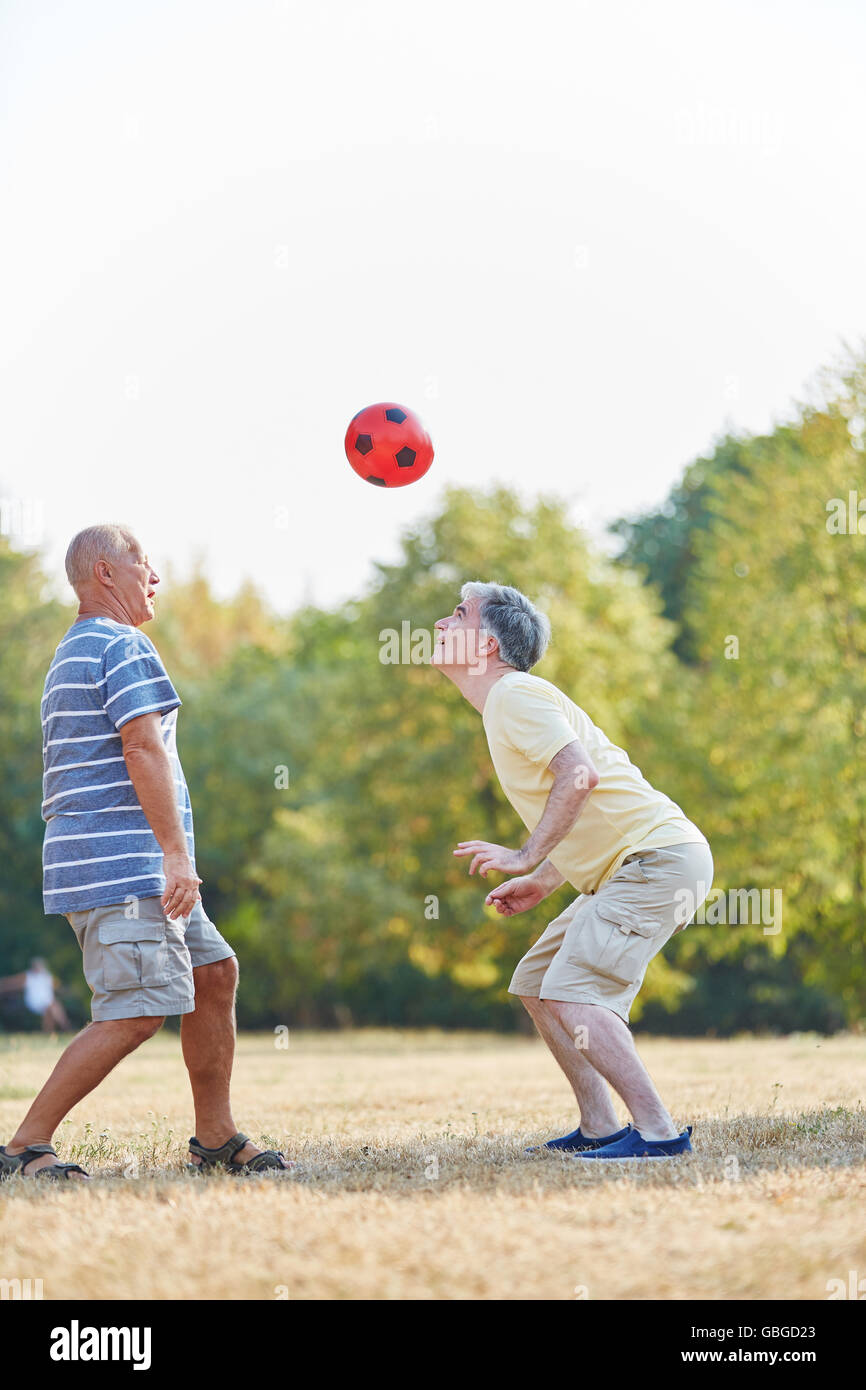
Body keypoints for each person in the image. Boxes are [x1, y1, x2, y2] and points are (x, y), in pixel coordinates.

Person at [0, 524, 290, 1180]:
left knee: (214, 974)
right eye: (142, 564)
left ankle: (214, 1138)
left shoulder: (76, 648)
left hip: (128, 866)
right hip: (129, 870)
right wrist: (176, 855)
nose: (154, 577)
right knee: (137, 1010)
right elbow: (141, 747)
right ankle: (24, 1147)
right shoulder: (121, 643)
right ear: (105, 573)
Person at [432, 581, 713, 1161]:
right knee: (538, 983)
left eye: (458, 614)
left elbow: (580, 776)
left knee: (574, 991)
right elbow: (589, 804)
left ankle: (659, 1134)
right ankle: (600, 1126)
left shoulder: (514, 695)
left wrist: (524, 856)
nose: (440, 623)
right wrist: (543, 880)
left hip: (656, 859)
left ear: (486, 645)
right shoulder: (507, 703)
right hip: (637, 862)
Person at [0, 959, 70, 1032]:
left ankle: (53, 1030)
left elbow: (56, 986)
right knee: (52, 1007)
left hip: (48, 1001)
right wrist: (3, 984)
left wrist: (65, 991)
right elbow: (13, 983)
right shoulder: (28, 976)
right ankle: (65, 1027)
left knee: (51, 1008)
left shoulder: (47, 976)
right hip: (34, 1002)